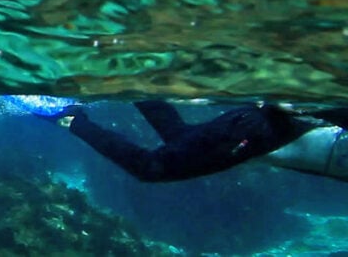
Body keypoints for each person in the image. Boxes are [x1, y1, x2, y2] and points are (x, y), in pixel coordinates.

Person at [43, 99, 348, 182]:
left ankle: (134, 86)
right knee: (152, 168)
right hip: (262, 132)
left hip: (263, 134)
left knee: (180, 138)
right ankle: (72, 120)